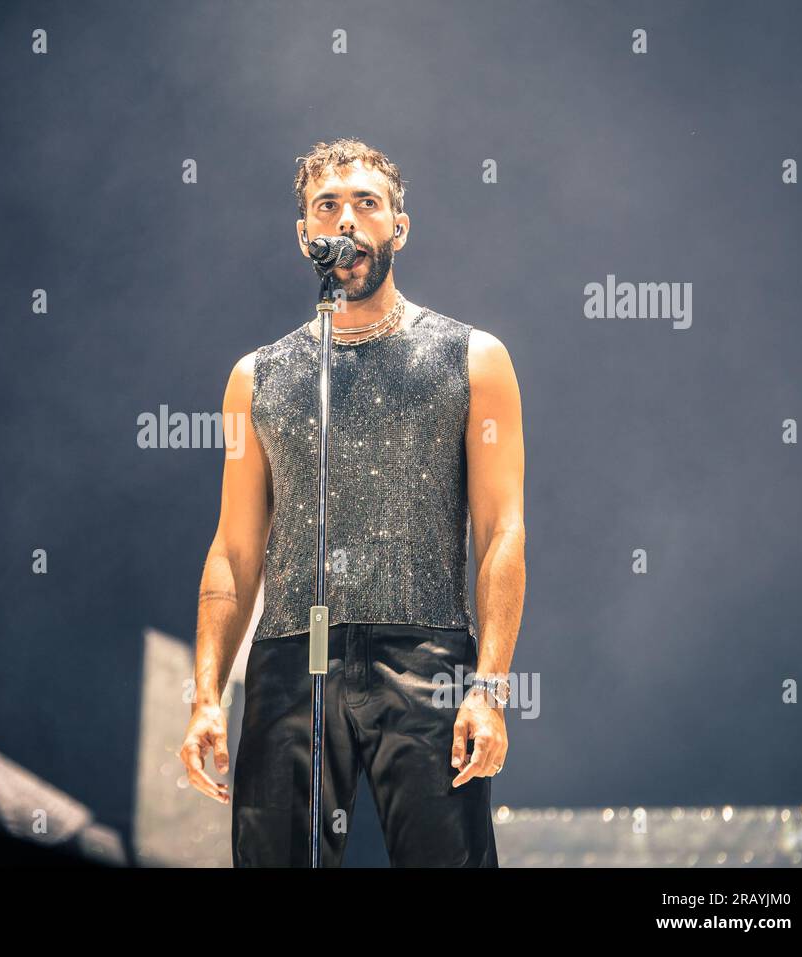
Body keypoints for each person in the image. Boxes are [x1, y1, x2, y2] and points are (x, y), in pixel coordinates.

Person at [179, 139, 526, 867]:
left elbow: (502, 532)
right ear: (305, 233)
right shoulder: (258, 376)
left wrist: (489, 688)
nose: (347, 221)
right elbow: (234, 548)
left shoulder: (473, 358)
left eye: (367, 203)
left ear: (400, 226)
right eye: (327, 206)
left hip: (427, 654)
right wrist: (206, 692)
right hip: (290, 656)